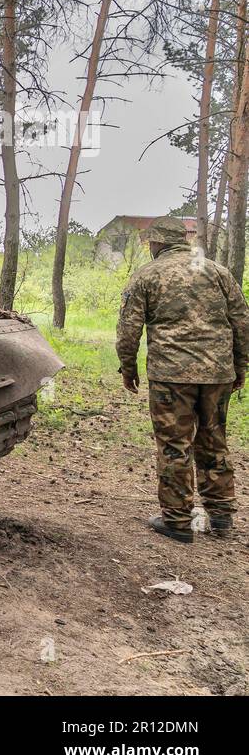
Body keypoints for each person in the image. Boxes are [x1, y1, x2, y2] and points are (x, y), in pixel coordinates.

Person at [115, 216, 248, 543]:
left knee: (175, 445)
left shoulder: (147, 275)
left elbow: (129, 330)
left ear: (157, 243)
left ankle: (176, 520)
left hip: (171, 376)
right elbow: (241, 321)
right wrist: (241, 366)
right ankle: (221, 516)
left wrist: (128, 369)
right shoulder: (217, 271)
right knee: (213, 437)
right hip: (217, 372)